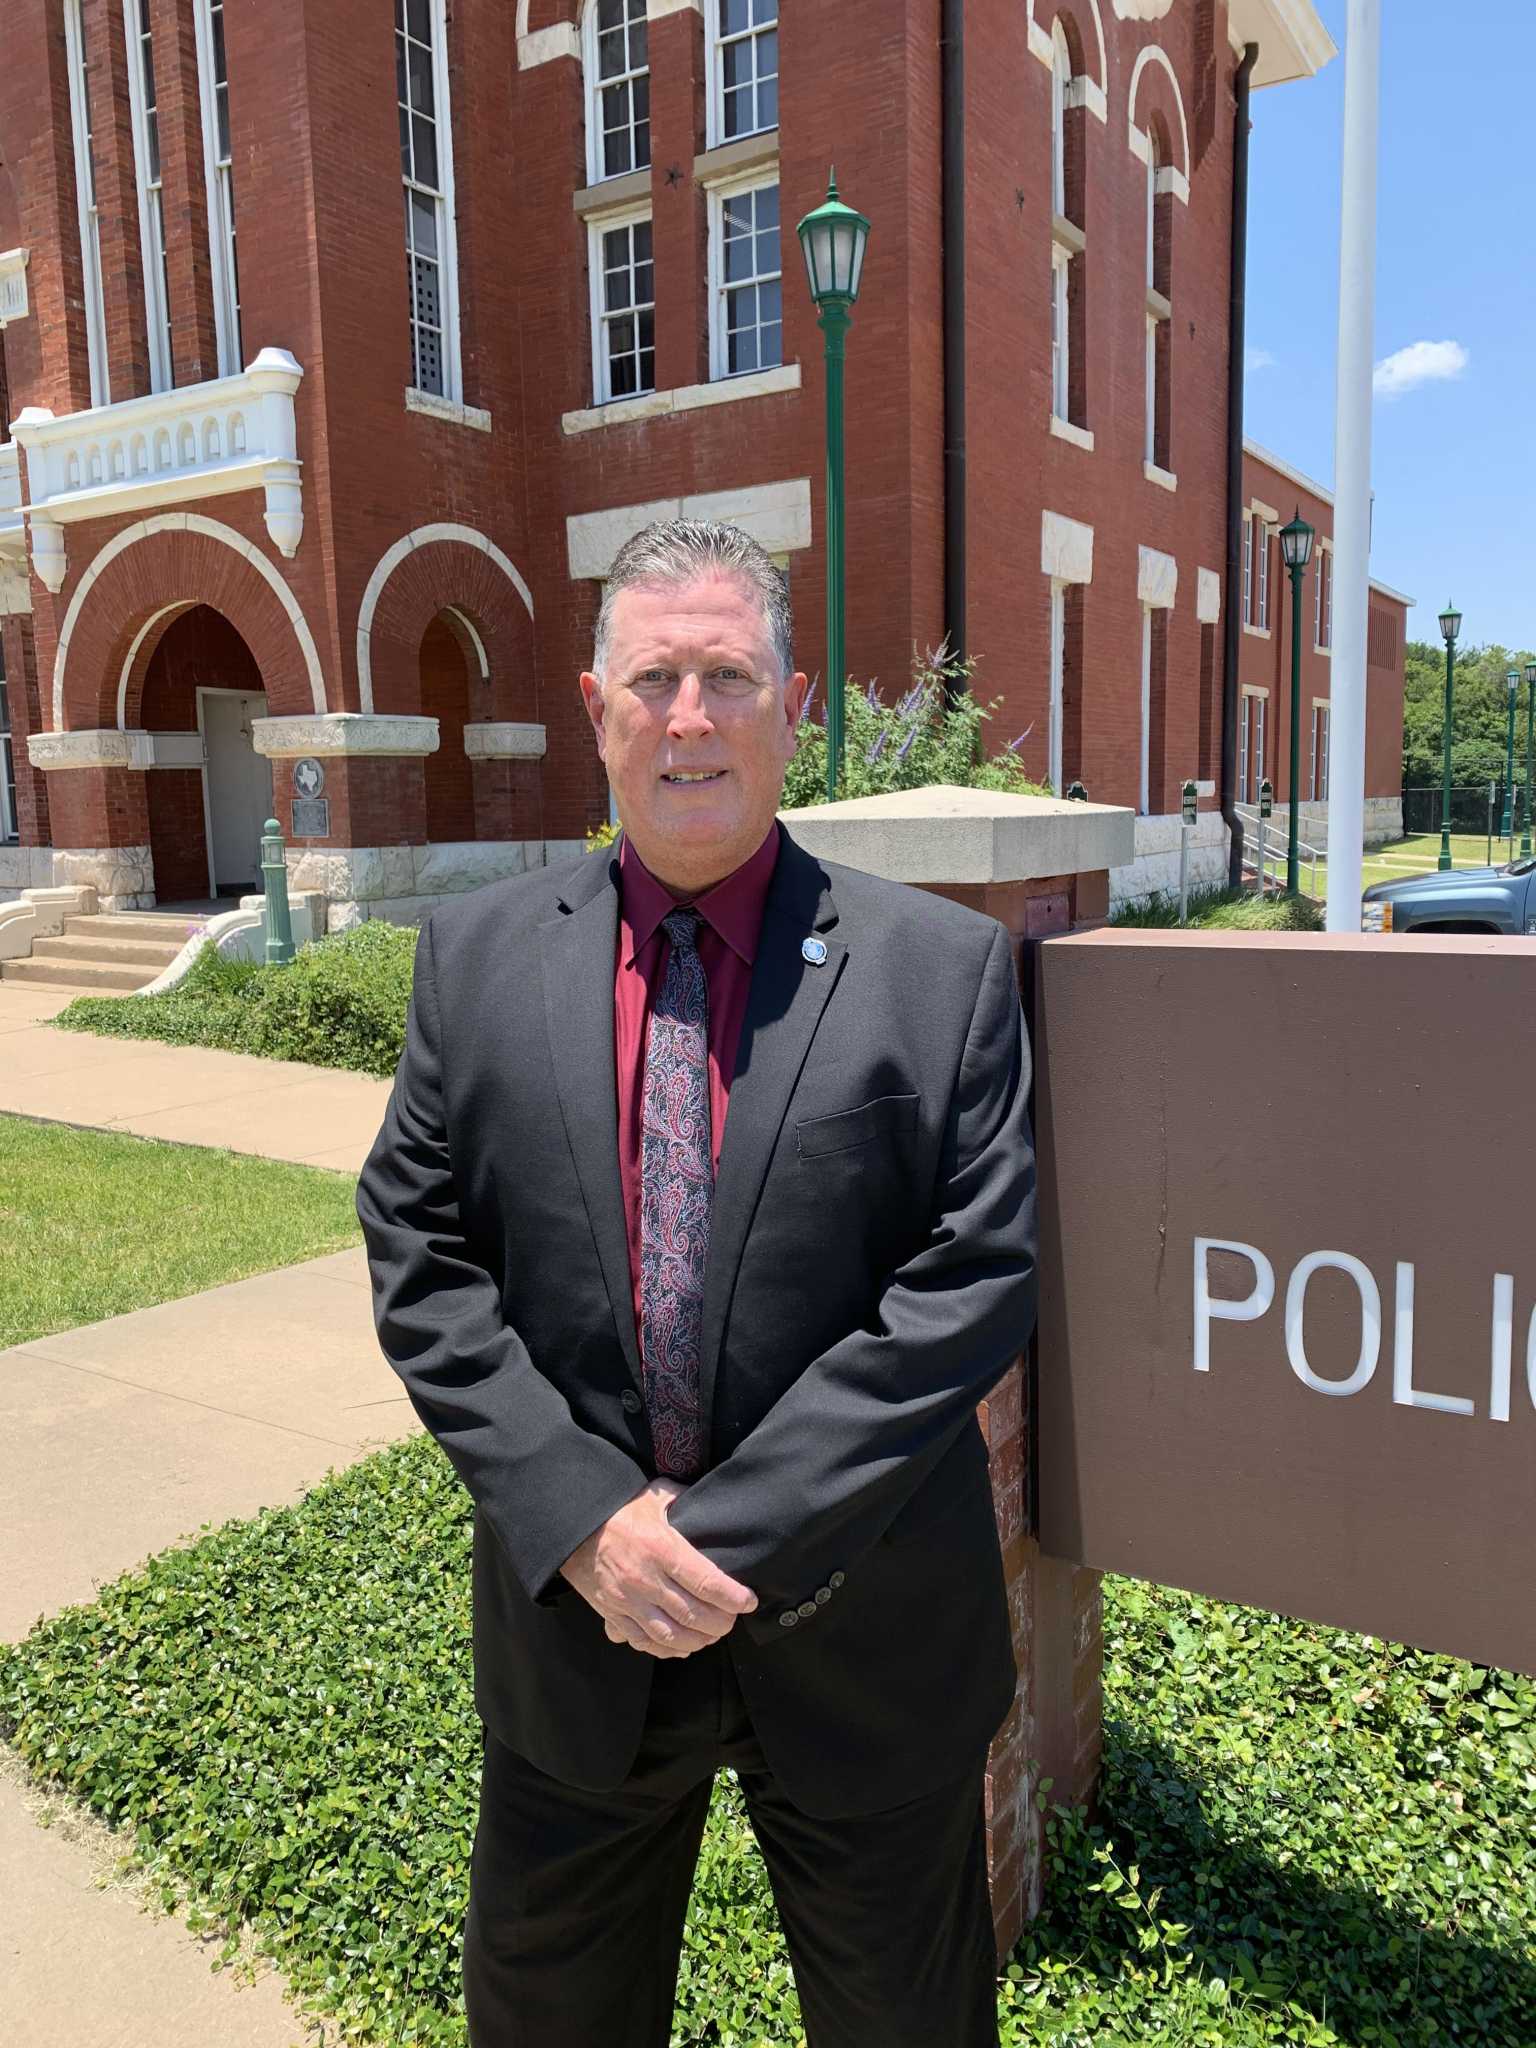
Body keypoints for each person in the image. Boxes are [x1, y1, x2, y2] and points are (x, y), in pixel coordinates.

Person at [355, 515, 1039, 2047]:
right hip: (576, 1644)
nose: (688, 718)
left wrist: (715, 1539)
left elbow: (971, 1279)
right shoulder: (468, 965)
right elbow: (421, 1246)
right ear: (595, 702)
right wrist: (588, 1522)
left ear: (795, 709)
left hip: (864, 1643)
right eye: (654, 677)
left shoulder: (938, 975)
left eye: (728, 674)